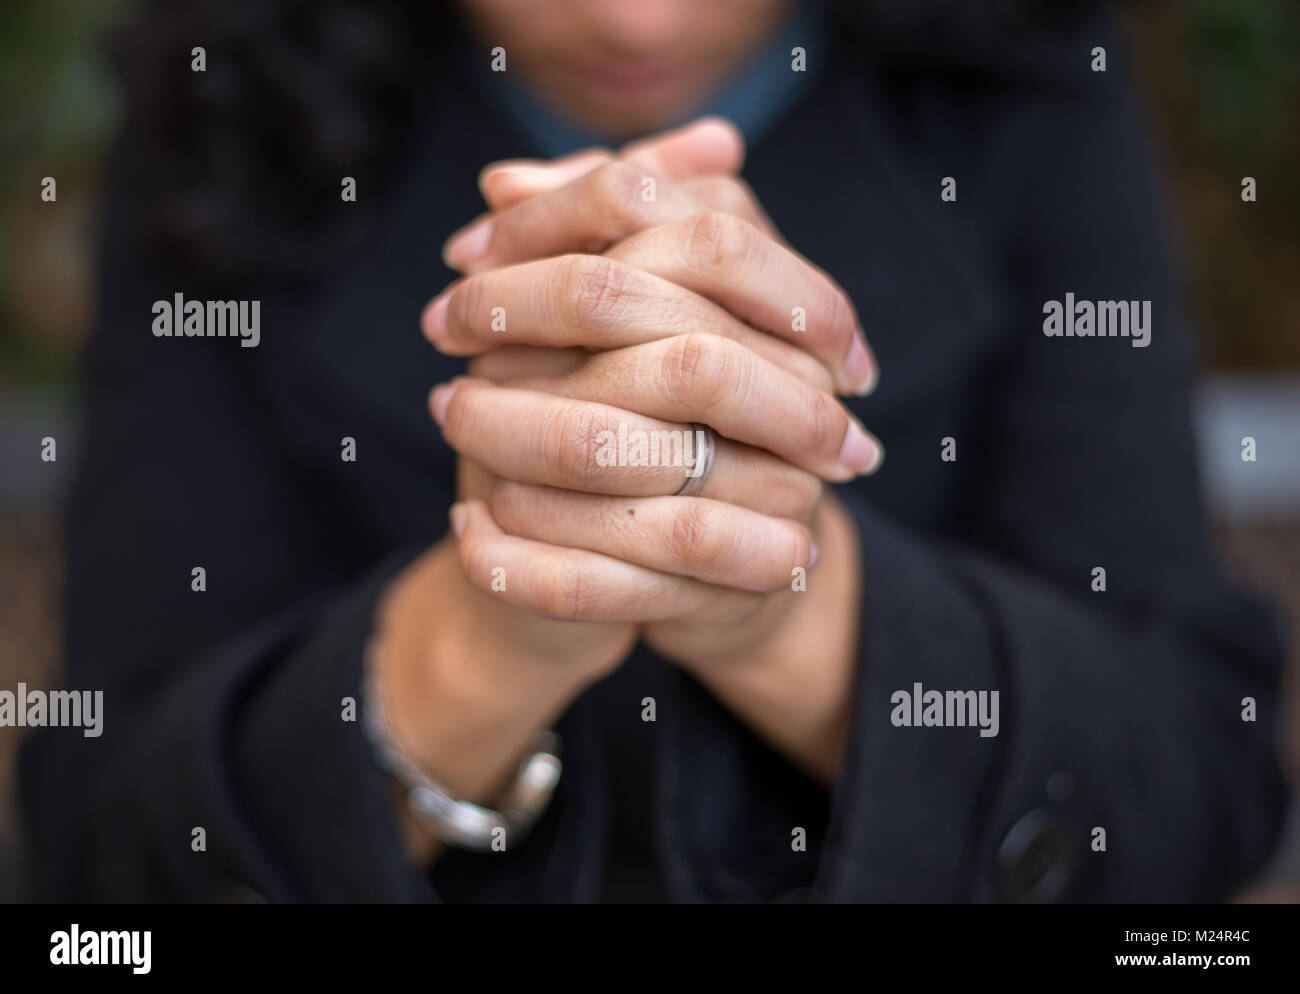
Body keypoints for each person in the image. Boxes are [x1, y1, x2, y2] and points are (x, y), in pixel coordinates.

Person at [20, 0, 1288, 902]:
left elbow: (1193, 788)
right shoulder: (228, 91)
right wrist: (485, 629)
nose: (637, 23)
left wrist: (778, 601)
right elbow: (101, 857)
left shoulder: (1027, 66)